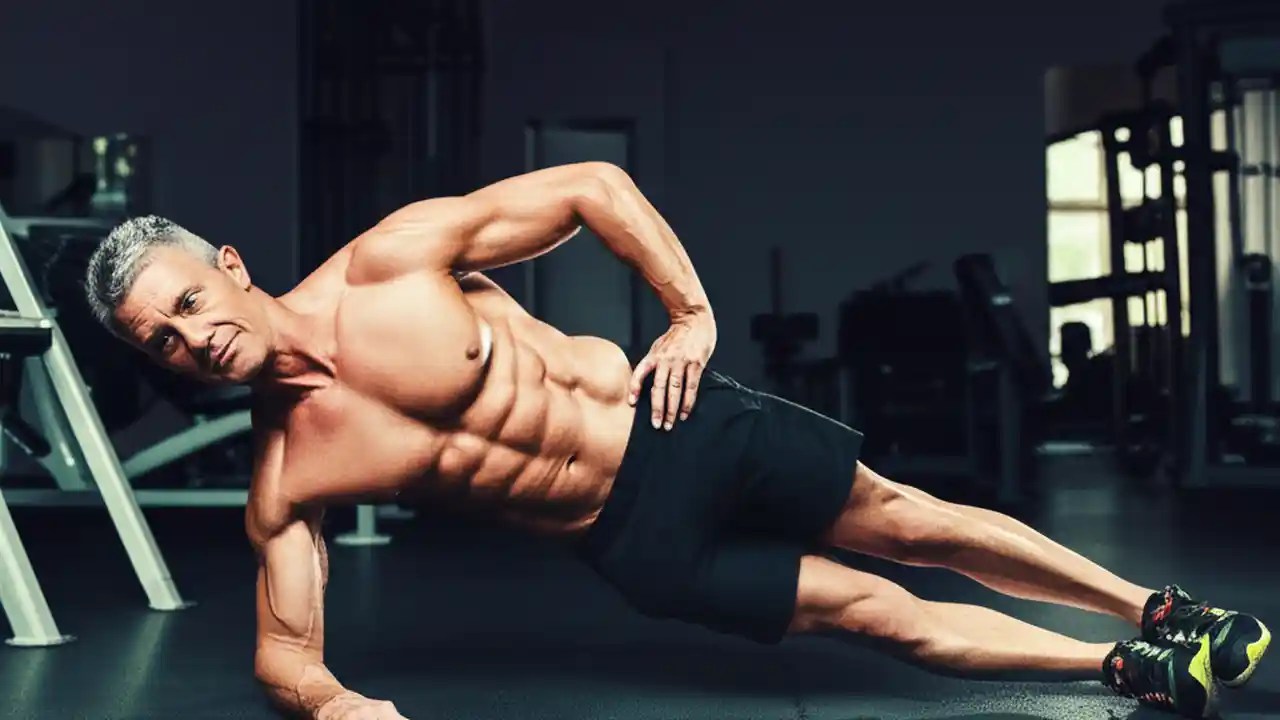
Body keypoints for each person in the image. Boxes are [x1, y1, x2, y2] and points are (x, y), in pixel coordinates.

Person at [84, 162, 1267, 720]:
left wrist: (690, 315)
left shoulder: (394, 261)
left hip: (675, 423)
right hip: (627, 540)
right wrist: (339, 708)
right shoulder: (290, 475)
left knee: (911, 522)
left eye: (190, 302)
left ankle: (1150, 608)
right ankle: (1128, 671)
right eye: (162, 342)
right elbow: (282, 652)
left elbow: (594, 187)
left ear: (227, 266)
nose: (193, 339)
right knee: (874, 612)